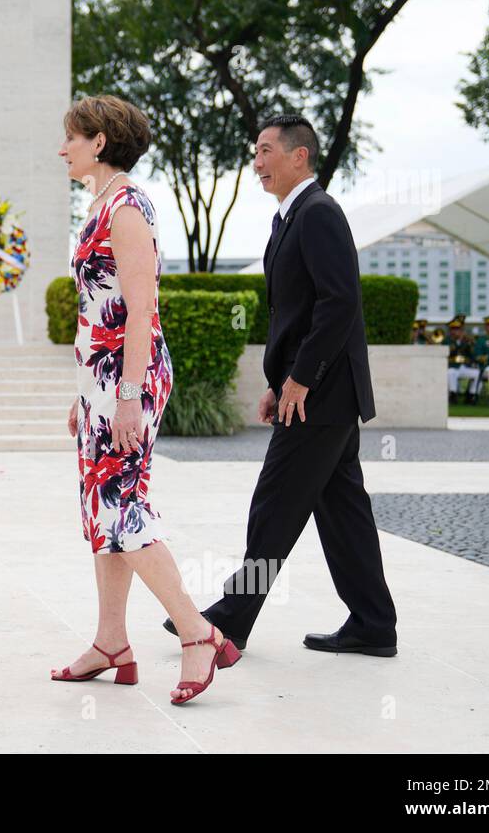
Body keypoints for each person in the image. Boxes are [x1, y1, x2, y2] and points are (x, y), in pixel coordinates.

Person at [163, 114, 398, 657]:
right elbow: (298, 312)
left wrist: (301, 379)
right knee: (343, 514)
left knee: (275, 504)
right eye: (256, 150)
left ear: (300, 156)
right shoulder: (288, 219)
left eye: (267, 150)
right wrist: (280, 379)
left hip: (321, 396)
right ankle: (373, 623)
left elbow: (339, 304)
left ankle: (231, 618)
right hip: (317, 392)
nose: (258, 161)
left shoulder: (318, 214)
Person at [53, 94, 241, 706]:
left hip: (127, 379)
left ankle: (198, 632)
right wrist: (86, 394)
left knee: (125, 510)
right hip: (102, 379)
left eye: (72, 138)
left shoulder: (129, 207)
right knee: (103, 512)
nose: (64, 148)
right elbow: (94, 311)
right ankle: (112, 642)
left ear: (99, 142)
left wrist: (128, 395)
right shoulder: (100, 204)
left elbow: (140, 310)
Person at [445, 314, 479, 405]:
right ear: (450, 330)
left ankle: (471, 395)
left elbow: (473, 355)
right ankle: (453, 395)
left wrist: (470, 344)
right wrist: (458, 342)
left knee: (477, 374)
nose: (456, 331)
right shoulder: (447, 340)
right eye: (454, 329)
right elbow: (449, 352)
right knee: (451, 372)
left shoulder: (467, 340)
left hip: (465, 366)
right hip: (452, 366)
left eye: (458, 329)